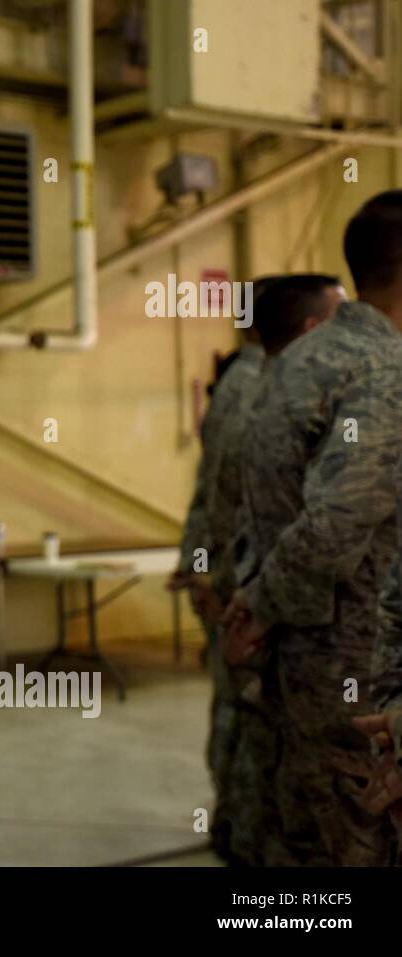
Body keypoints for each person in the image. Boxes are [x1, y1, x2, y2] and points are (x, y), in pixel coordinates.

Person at [224, 193, 402, 866]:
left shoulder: (299, 357)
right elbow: (340, 515)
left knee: (300, 831)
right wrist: (263, 602)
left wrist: (258, 601)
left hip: (300, 654)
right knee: (356, 839)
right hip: (355, 659)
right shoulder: (387, 370)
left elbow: (259, 503)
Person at [171, 274, 341, 865]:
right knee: (254, 734)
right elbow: (241, 502)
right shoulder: (265, 394)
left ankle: (238, 836)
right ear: (310, 329)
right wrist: (225, 581)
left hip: (238, 584)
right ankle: (245, 844)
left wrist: (198, 564)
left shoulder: (242, 383)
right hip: (253, 593)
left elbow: (208, 489)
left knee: (244, 722)